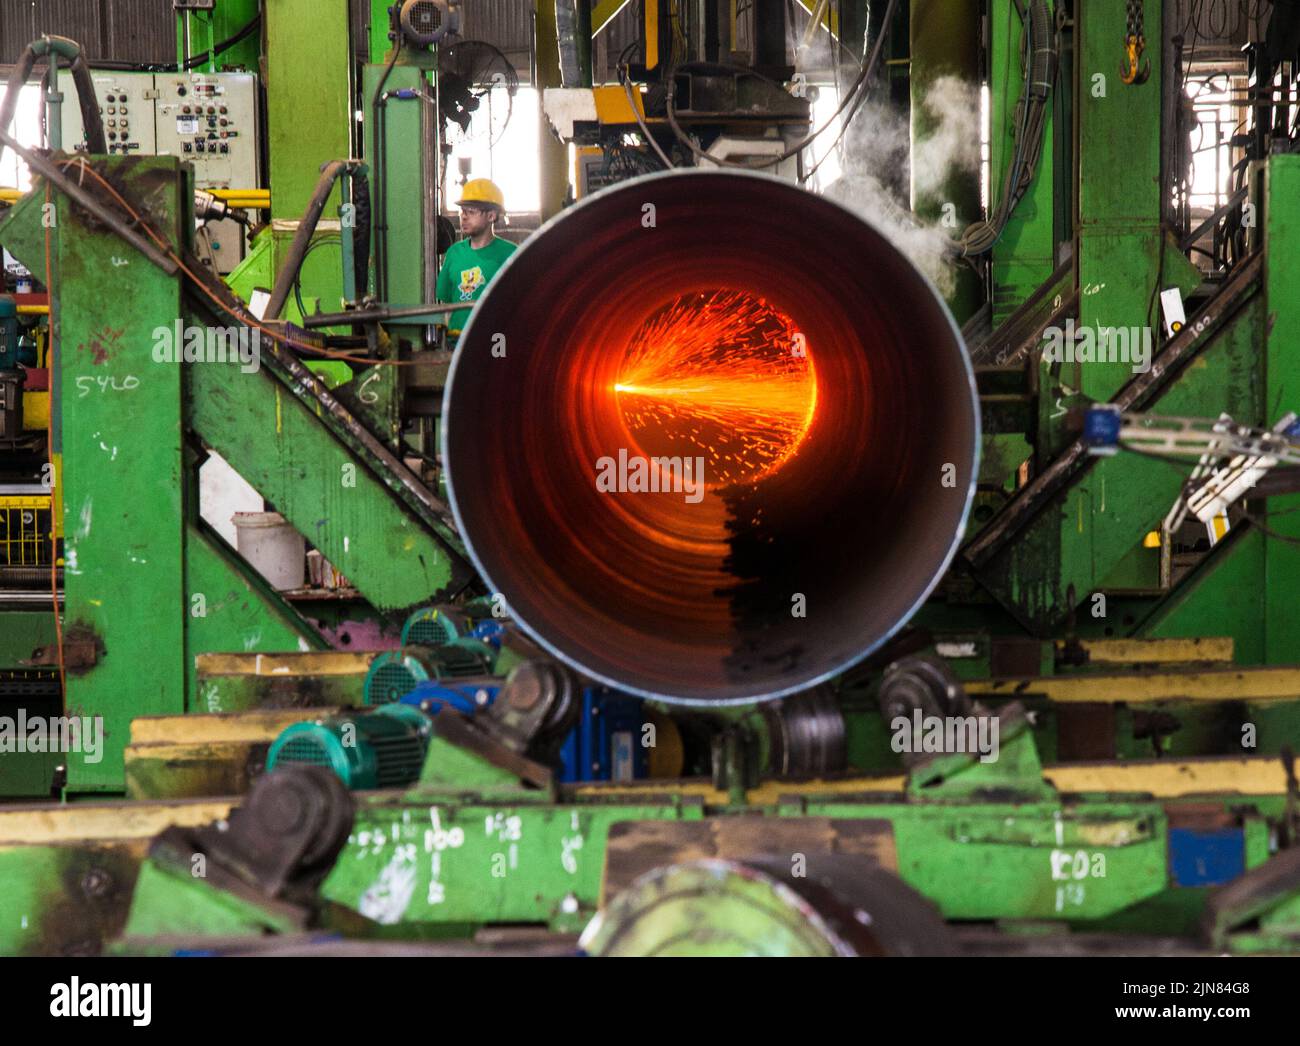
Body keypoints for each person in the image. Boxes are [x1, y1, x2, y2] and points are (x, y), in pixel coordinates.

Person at [435, 178, 516, 347]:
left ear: (491, 215)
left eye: (470, 211)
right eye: (462, 211)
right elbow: (445, 304)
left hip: (496, 342)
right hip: (456, 343)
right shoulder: (454, 253)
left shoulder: (510, 255)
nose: (463, 217)